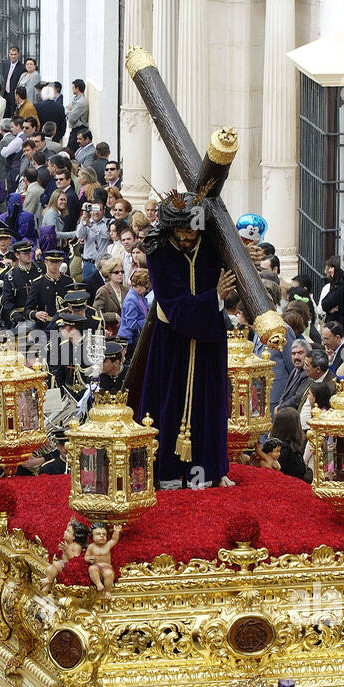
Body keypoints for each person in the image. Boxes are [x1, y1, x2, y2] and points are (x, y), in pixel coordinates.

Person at [136, 191, 238, 489]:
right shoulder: (158, 252)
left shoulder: (213, 245)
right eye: (180, 230)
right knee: (169, 404)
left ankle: (207, 473)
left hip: (208, 344)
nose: (186, 236)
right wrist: (214, 298)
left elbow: (237, 262)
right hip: (172, 345)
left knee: (210, 404)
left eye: (191, 229)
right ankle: (168, 475)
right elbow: (175, 307)